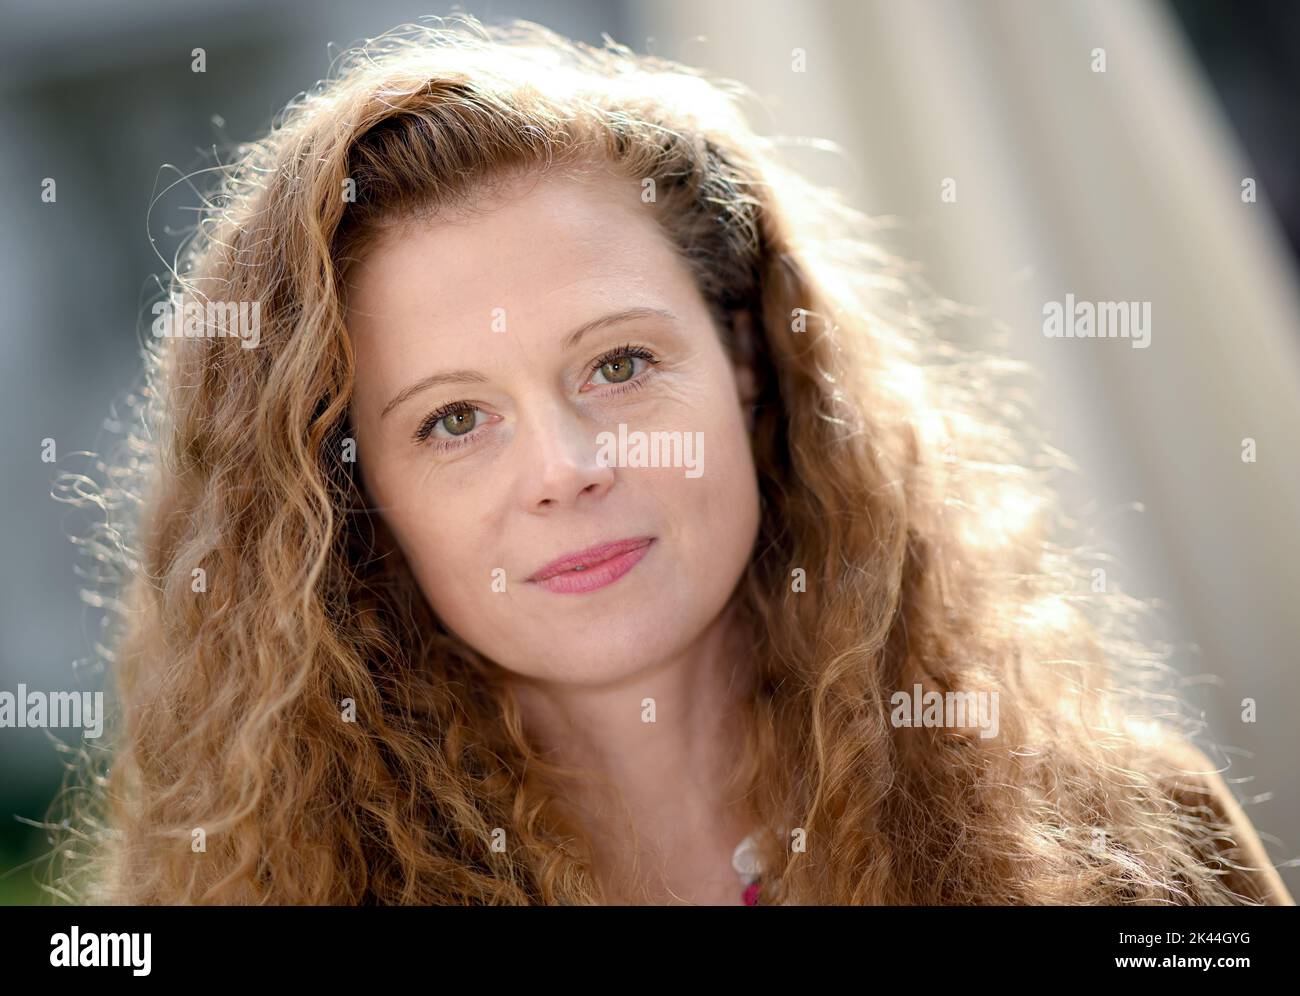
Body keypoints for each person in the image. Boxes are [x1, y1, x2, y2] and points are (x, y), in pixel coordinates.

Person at [54, 15, 1293, 906]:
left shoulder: (1136, 848)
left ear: (748, 362)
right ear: (353, 498)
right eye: (451, 419)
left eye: (618, 363)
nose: (566, 465)